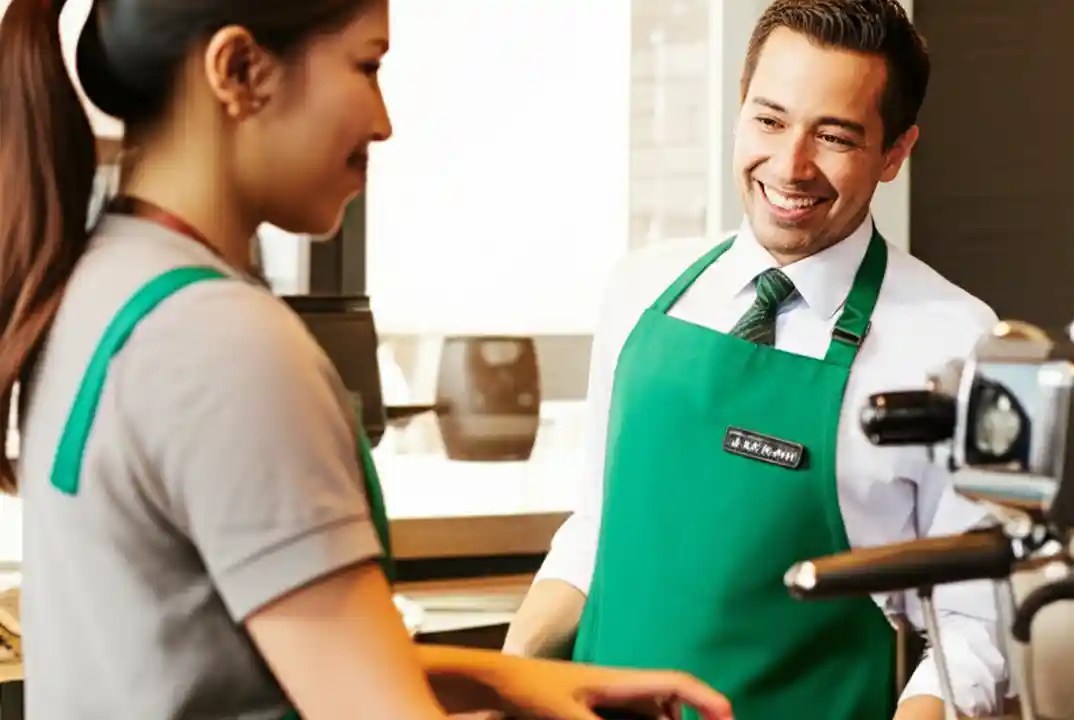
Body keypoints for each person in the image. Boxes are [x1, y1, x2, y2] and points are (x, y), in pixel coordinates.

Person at [0, 1, 736, 719]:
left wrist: (503, 680)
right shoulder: (225, 346)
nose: (383, 120)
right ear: (239, 69)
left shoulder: (96, 283)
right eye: (368, 65)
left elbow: (217, 656)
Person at [504, 1, 1007, 719]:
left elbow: (972, 625)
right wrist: (508, 673)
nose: (791, 166)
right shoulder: (643, 289)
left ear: (895, 152)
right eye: (769, 121)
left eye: (833, 135)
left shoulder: (956, 343)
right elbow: (596, 528)